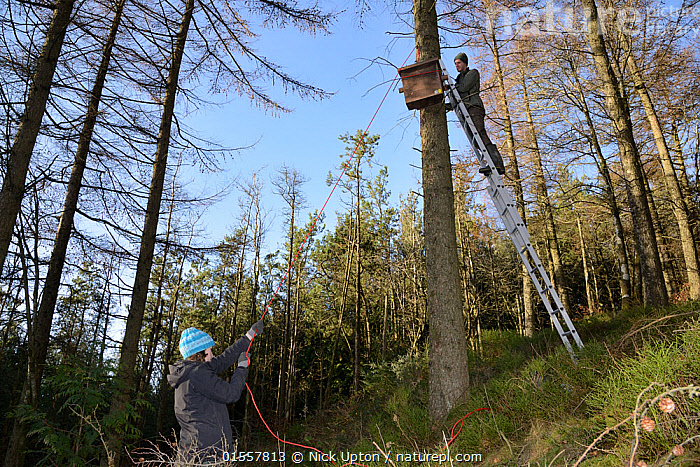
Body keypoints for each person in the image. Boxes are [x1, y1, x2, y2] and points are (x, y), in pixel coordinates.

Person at [168, 320, 264, 464]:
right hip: (206, 457)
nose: (213, 355)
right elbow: (231, 394)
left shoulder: (189, 374)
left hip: (194, 455)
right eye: (210, 351)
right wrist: (242, 368)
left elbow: (224, 359)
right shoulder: (197, 374)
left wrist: (249, 336)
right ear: (200, 354)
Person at [445, 52, 506, 176]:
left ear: (465, 63)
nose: (457, 66)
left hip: (474, 108)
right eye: (455, 64)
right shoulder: (459, 79)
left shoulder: (472, 73)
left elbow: (463, 88)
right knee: (475, 139)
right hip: (467, 110)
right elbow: (457, 98)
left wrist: (451, 87)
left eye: (459, 63)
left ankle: (496, 162)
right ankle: (491, 162)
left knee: (479, 133)